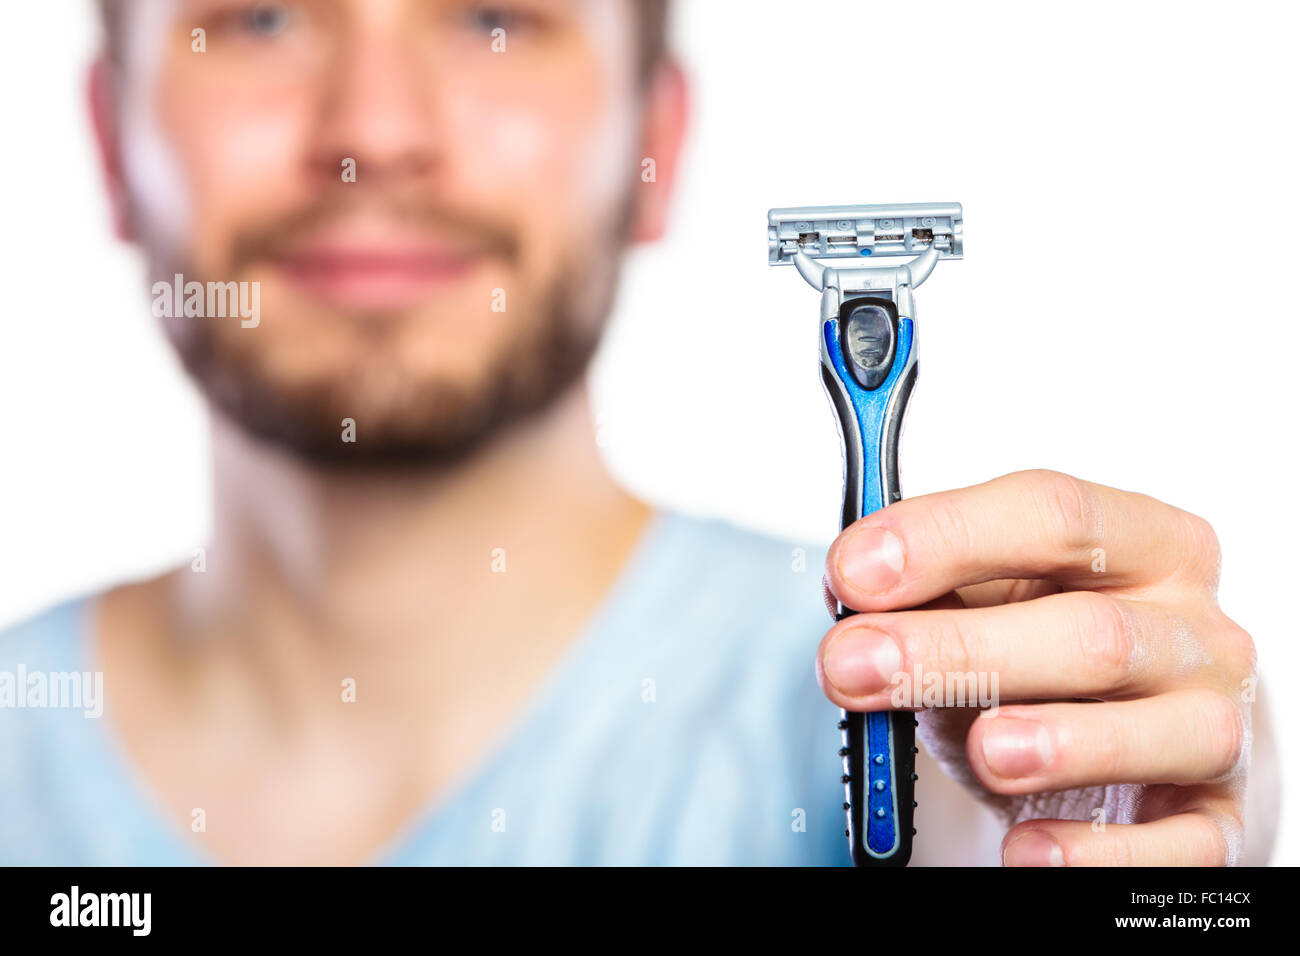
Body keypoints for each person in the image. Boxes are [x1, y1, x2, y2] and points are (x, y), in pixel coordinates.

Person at [0, 0, 1275, 865]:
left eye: (494, 17)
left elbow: (1015, 826)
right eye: (263, 15)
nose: (375, 135)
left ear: (653, 146)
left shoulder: (891, 718)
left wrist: (1150, 830)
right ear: (111, 140)